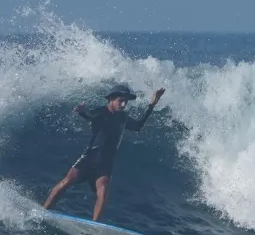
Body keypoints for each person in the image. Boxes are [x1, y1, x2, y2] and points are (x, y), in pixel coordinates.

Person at [42, 84, 165, 221]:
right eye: (120, 100)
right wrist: (82, 111)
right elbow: (89, 115)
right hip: (90, 157)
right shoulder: (101, 112)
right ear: (111, 99)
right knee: (66, 182)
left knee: (104, 191)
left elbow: (138, 126)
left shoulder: (123, 117)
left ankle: (94, 226)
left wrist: (152, 104)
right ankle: (44, 211)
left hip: (106, 161)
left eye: (126, 101)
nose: (124, 104)